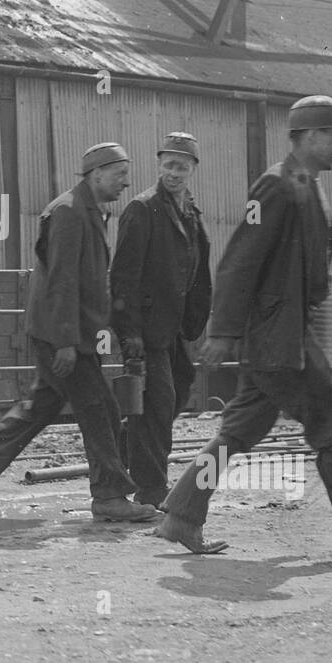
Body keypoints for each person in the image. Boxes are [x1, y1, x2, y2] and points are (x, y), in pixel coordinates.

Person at [155, 96, 332, 560]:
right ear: (311, 136)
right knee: (330, 418)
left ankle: (181, 516)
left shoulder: (307, 185)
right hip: (279, 337)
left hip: (288, 332)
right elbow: (240, 260)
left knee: (239, 430)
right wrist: (223, 330)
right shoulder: (276, 186)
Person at [0, 143, 157, 522]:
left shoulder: (87, 211)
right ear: (96, 174)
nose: (127, 182)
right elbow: (62, 280)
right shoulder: (70, 213)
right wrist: (65, 342)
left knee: (40, 407)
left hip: (71, 333)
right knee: (101, 412)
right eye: (120, 174)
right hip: (62, 335)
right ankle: (109, 497)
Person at [109, 132, 212, 508]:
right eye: (168, 165)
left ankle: (115, 459)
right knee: (157, 403)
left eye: (181, 166)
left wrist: (196, 320)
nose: (174, 172)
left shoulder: (190, 211)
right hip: (146, 330)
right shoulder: (142, 208)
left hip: (175, 328)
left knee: (176, 392)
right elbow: (122, 275)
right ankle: (151, 490)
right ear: (159, 165)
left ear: (192, 169)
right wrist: (129, 333)